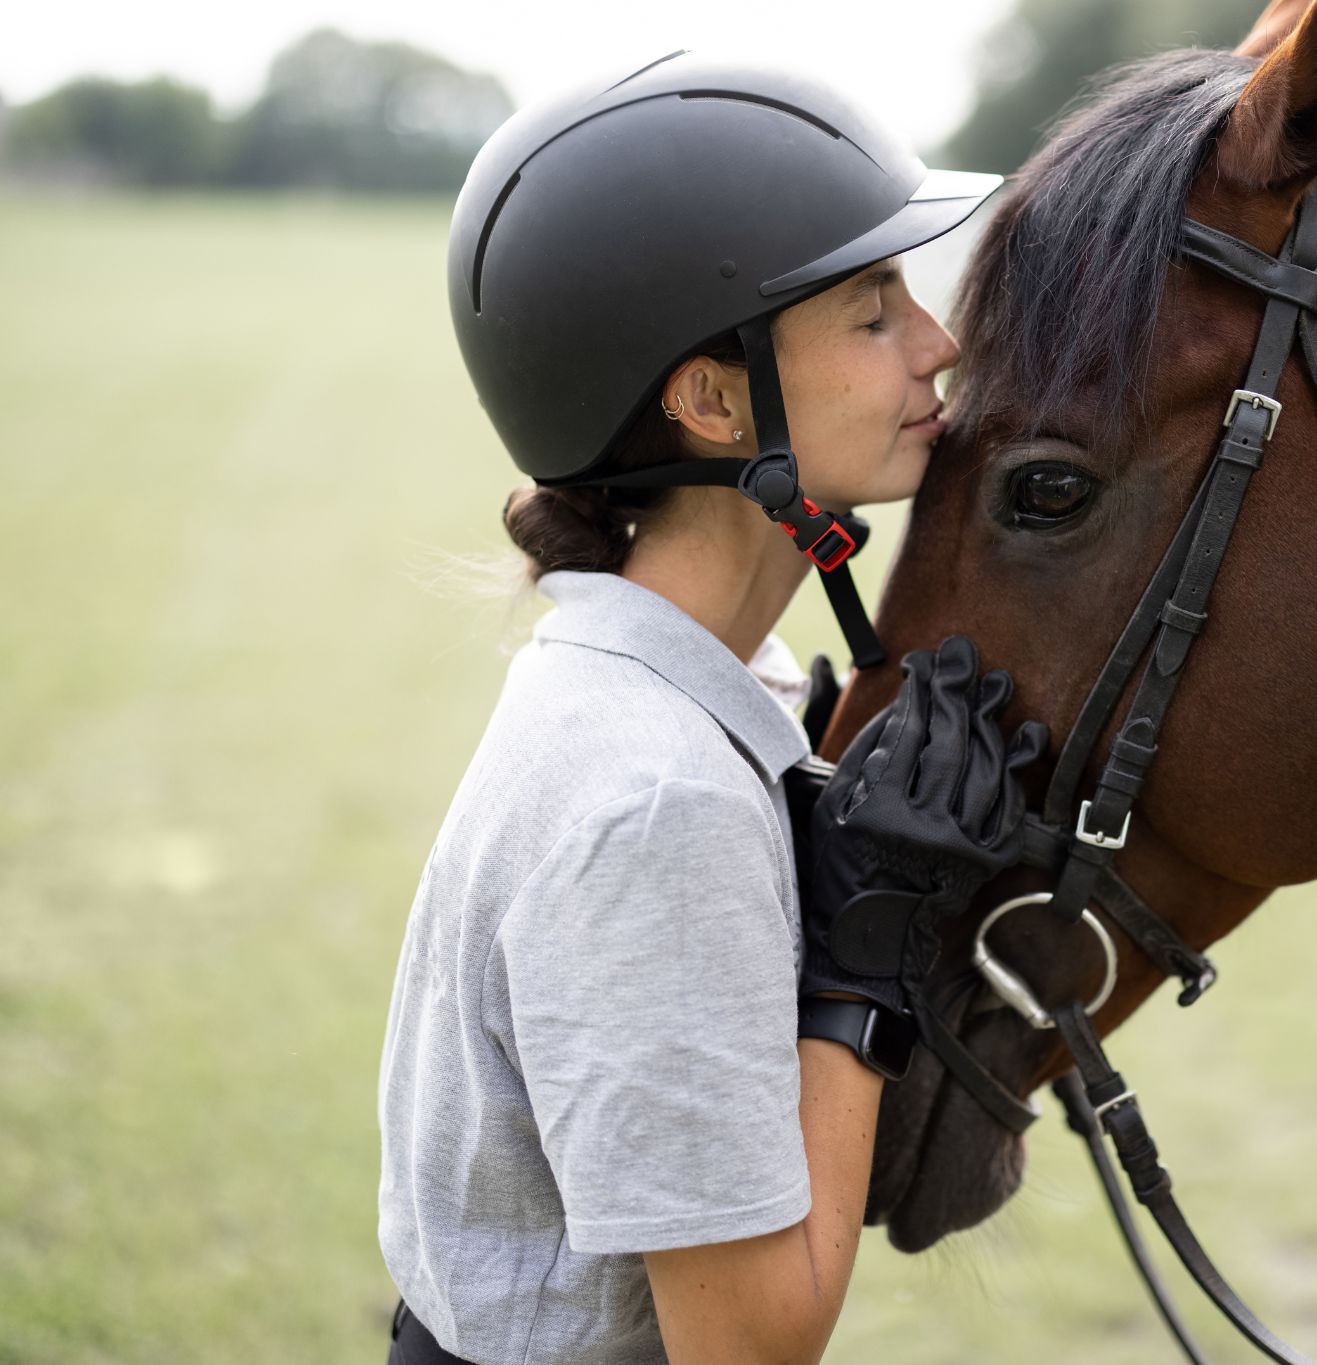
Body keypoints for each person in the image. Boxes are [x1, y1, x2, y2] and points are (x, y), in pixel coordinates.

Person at [377, 51, 1041, 1365]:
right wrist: (862, 967)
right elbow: (748, 1343)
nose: (938, 343)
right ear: (712, 399)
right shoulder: (655, 800)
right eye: (869, 310)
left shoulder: (681, 682)